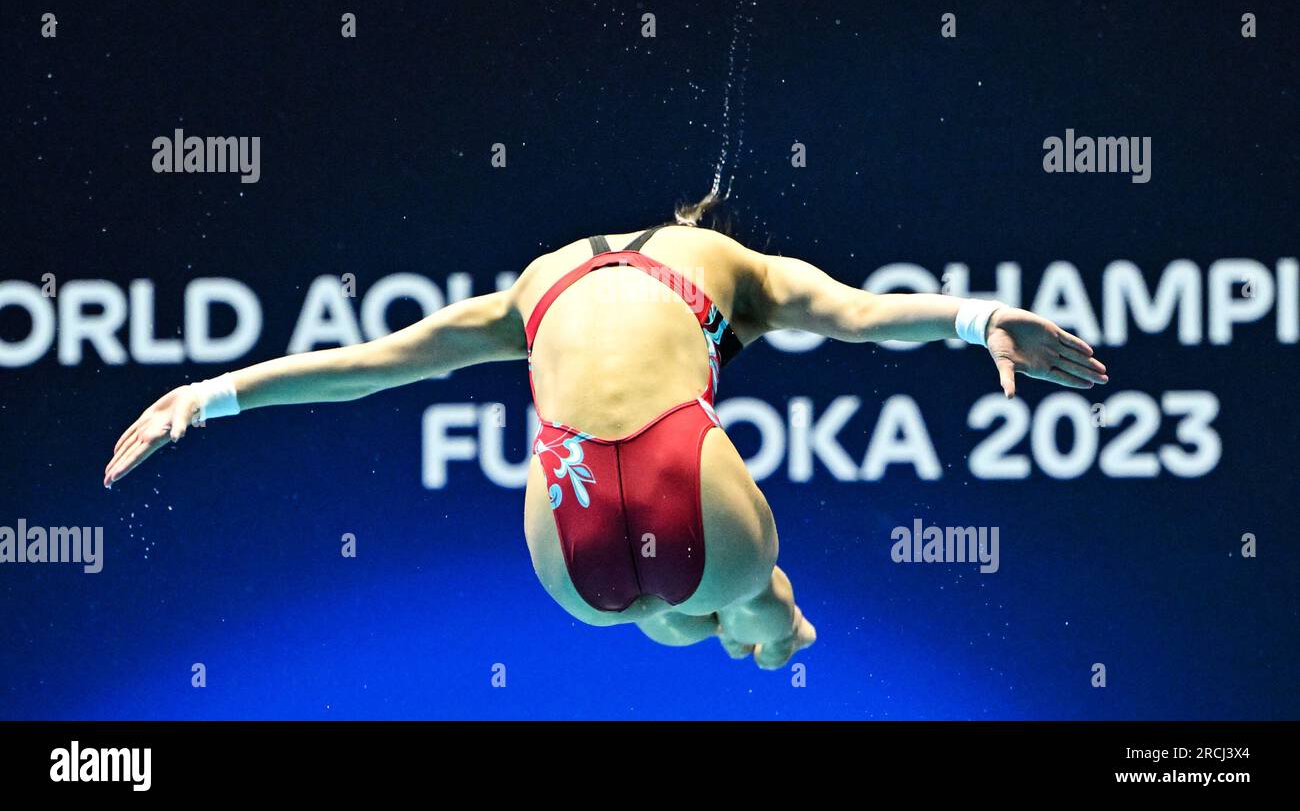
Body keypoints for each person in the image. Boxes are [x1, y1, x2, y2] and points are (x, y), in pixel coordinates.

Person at [103, 197, 1107, 669]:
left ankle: (707, 616)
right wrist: (980, 316)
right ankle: (765, 628)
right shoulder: (735, 262)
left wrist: (207, 392)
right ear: (702, 224)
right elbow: (859, 313)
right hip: (684, 484)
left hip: (569, 531)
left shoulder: (537, 278)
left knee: (654, 614)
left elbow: (366, 364)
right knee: (760, 616)